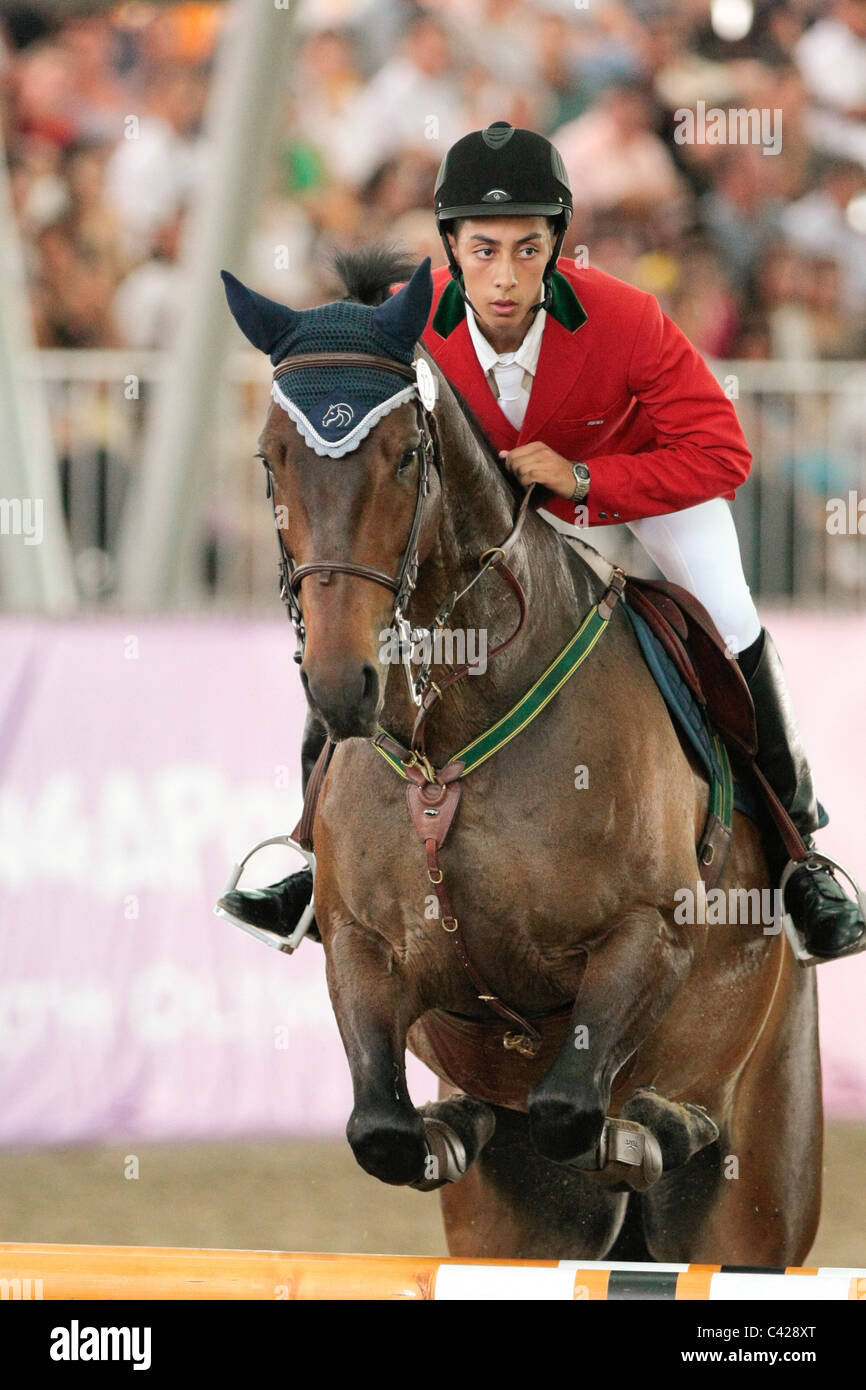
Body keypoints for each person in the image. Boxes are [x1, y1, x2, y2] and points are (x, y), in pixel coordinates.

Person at [218, 121, 864, 964]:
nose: (505, 277)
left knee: (731, 618)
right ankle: (309, 856)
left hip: (636, 488)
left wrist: (591, 480)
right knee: (359, 629)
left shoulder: (626, 317)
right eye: (482, 250)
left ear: (559, 242)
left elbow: (722, 454)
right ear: (449, 244)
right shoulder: (411, 331)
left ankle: (798, 859)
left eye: (529, 250)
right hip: (504, 519)